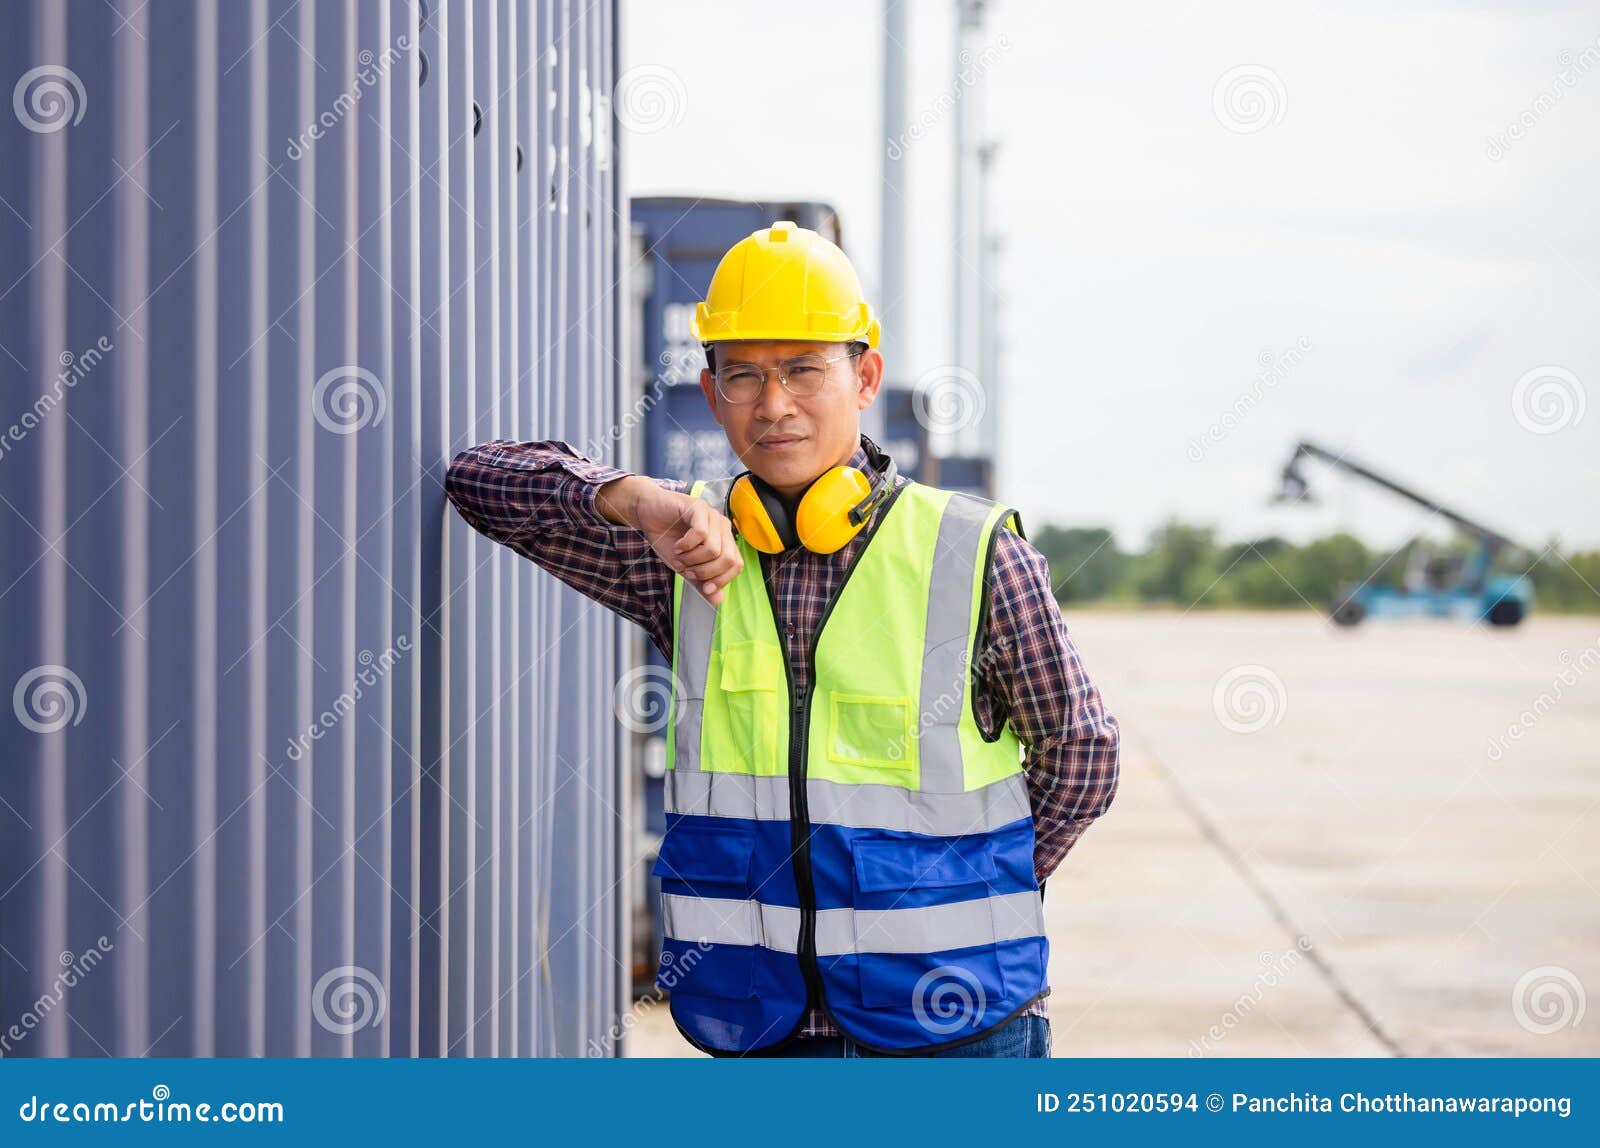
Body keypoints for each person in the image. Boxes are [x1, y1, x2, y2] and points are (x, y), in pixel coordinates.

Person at [445, 221, 1120, 1058]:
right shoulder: (682, 548)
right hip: (762, 1022)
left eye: (804, 369)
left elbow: (1082, 753)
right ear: (710, 391)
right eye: (744, 376)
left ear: (864, 377)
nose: (773, 405)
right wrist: (629, 497)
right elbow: (477, 480)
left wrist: (970, 892)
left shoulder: (970, 553)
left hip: (955, 1025)